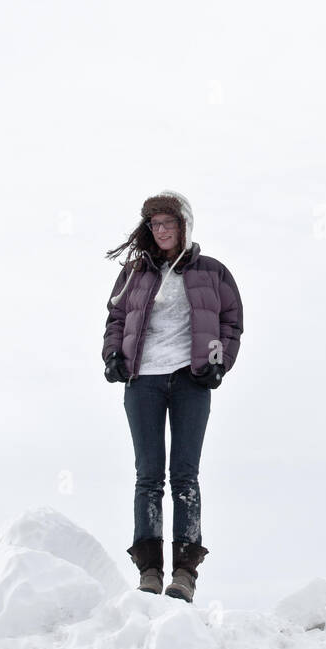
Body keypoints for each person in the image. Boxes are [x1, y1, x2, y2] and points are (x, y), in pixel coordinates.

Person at [101, 190, 243, 603]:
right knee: (148, 477)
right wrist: (113, 354)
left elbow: (230, 322)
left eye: (168, 223)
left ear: (185, 225)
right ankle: (149, 570)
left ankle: (184, 572)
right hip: (142, 381)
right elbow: (115, 316)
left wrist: (218, 361)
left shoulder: (212, 272)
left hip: (189, 381)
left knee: (185, 476)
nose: (161, 231)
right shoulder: (134, 273)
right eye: (155, 224)